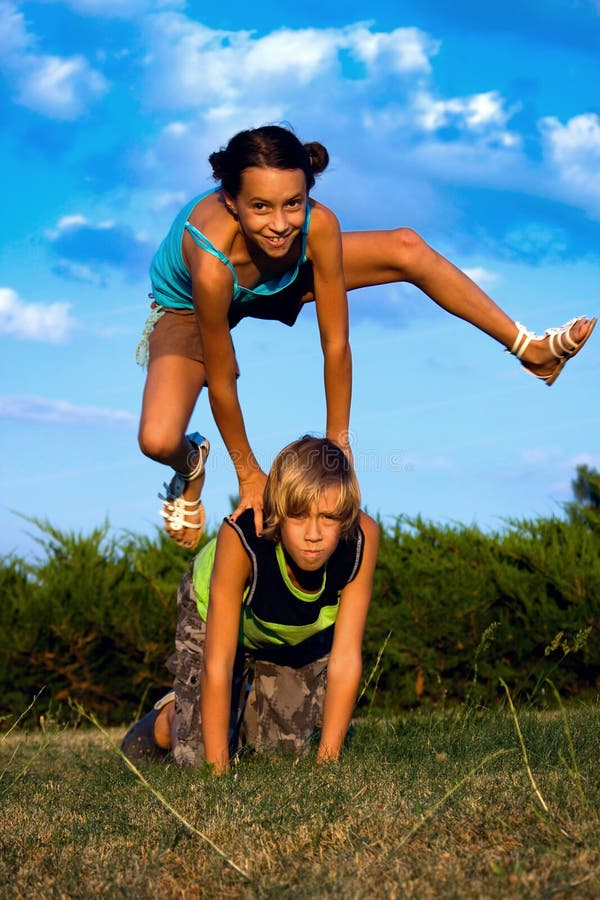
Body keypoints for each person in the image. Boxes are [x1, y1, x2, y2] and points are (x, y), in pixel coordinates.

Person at [136, 124, 597, 549]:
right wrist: (249, 475)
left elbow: (335, 343)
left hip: (280, 278)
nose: (278, 223)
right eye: (260, 207)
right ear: (231, 201)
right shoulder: (211, 260)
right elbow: (222, 377)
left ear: (307, 194)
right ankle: (190, 463)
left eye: (293, 203)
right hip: (190, 306)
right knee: (157, 439)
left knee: (406, 247)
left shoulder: (317, 227)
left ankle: (532, 350)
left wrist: (339, 443)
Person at [121, 436, 379, 772]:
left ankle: (241, 706)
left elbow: (345, 659)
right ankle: (172, 715)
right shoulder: (242, 538)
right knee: (199, 758)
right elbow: (218, 662)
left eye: (328, 518)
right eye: (298, 516)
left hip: (289, 636)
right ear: (278, 512)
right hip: (213, 618)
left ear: (345, 517)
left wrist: (327, 764)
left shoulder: (360, 541)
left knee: (282, 754)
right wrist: (218, 775)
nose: (313, 534)